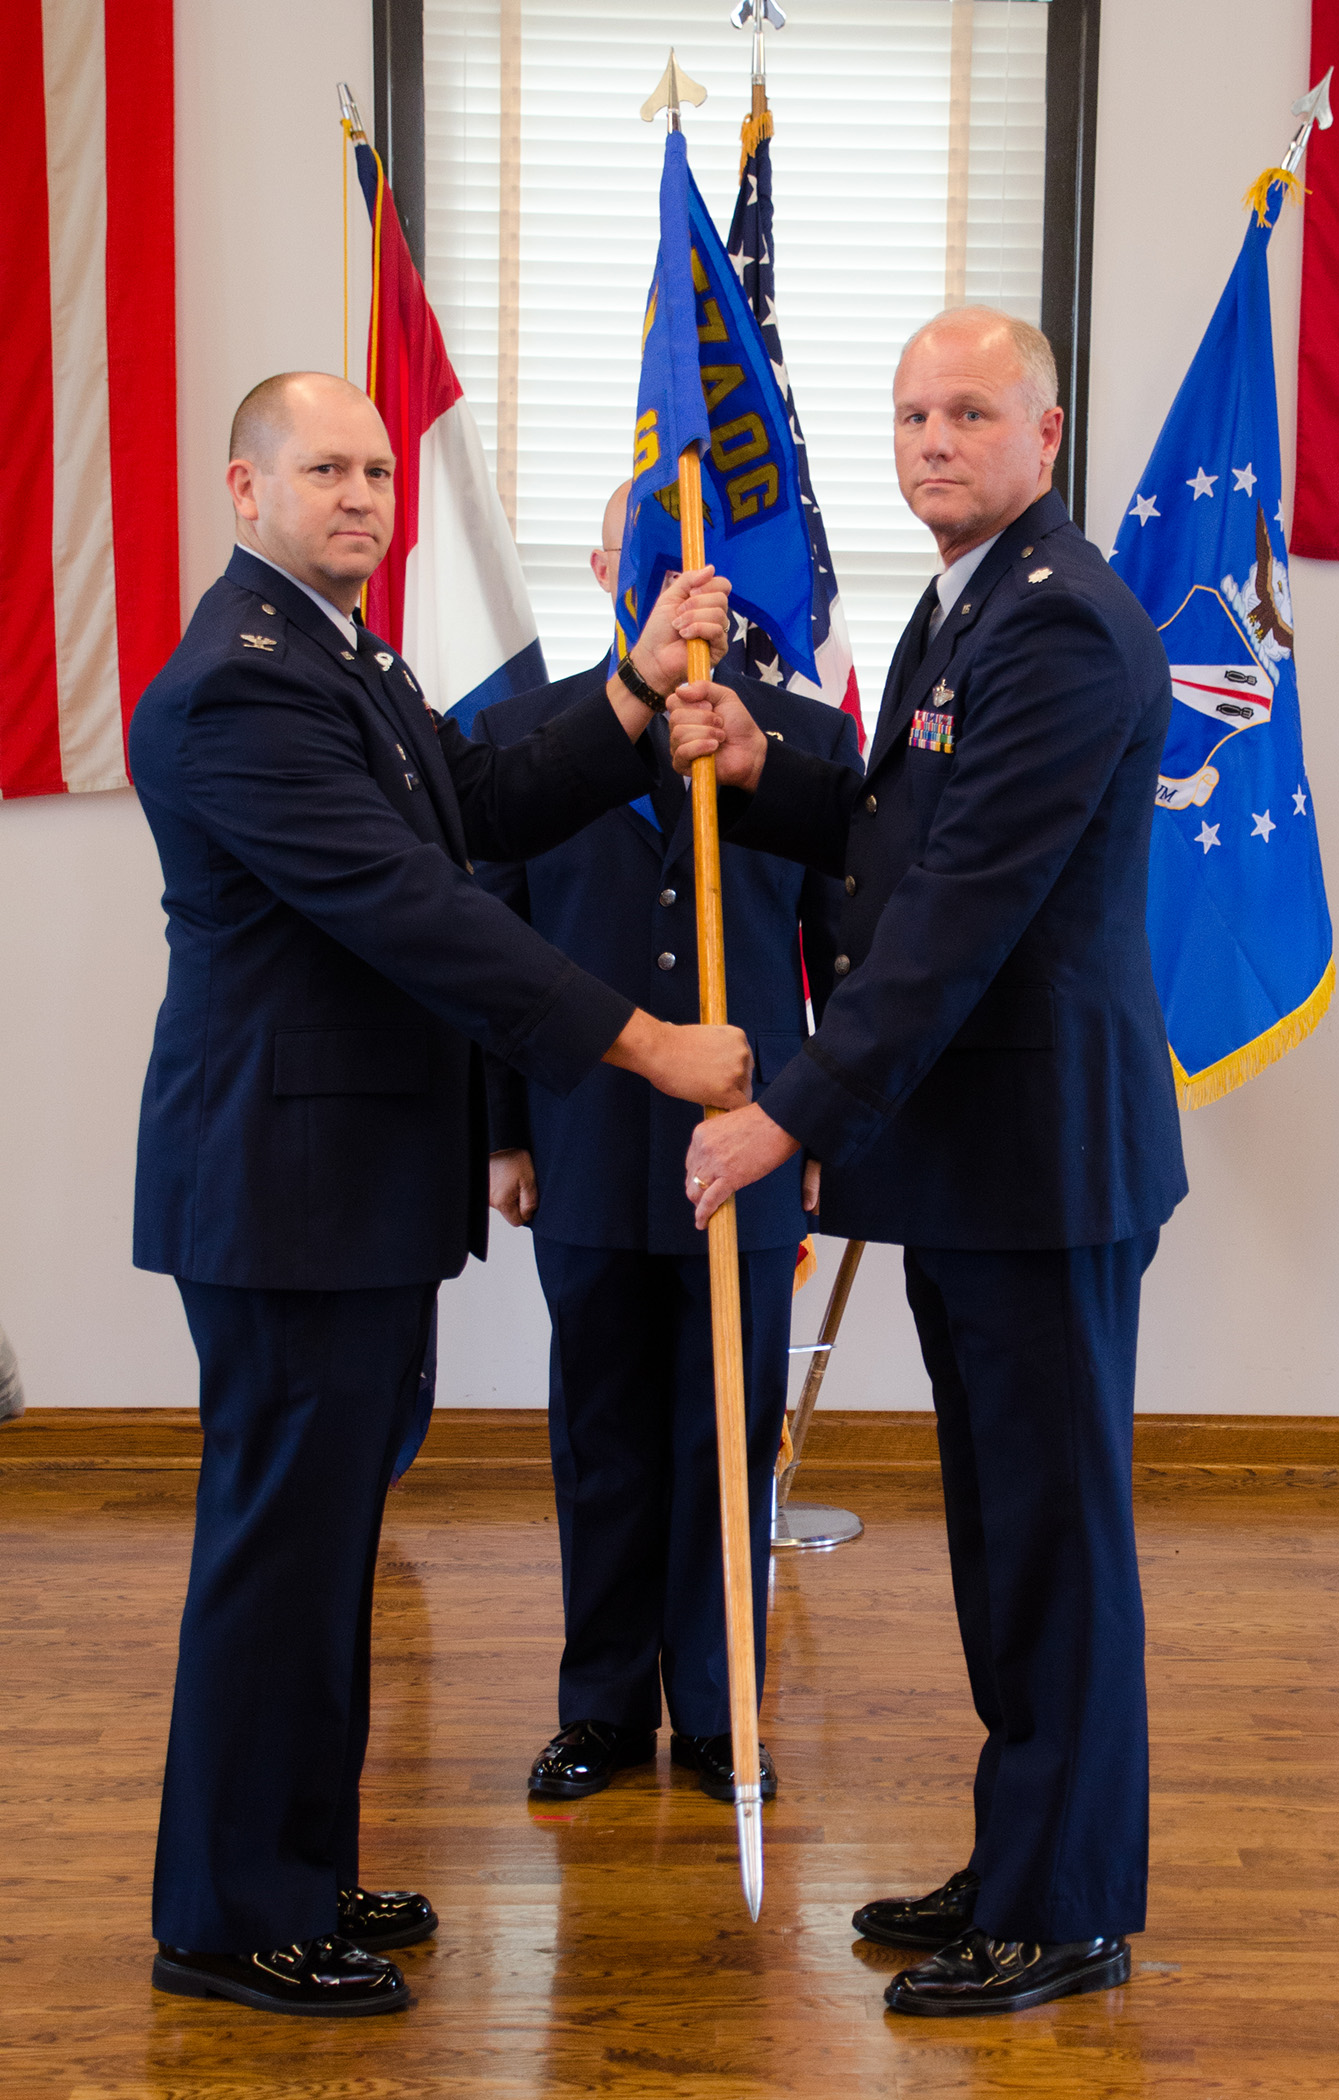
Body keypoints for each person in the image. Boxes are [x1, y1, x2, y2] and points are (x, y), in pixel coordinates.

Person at [129, 373, 750, 2019]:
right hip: (284, 1185)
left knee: (327, 1544)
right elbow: (419, 909)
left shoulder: (350, 658)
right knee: (280, 1550)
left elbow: (470, 808)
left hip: (344, 1187)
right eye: (323, 467)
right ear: (242, 489)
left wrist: (625, 697)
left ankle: (299, 1867)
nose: (361, 491)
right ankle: (230, 1914)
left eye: (378, 467)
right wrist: (645, 1046)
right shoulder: (240, 687)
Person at [668, 308, 1187, 2018]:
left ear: (1048, 436)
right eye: (909, 416)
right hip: (986, 1156)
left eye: (970, 413)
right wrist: (769, 769)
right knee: (1003, 1529)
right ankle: (1017, 1851)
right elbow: (906, 826)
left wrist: (791, 1112)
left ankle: (1065, 1907)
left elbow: (958, 919)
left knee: (1050, 1537)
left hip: (1043, 1156)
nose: (932, 442)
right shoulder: (967, 603)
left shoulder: (1062, 625)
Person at [470, 484, 859, 1807]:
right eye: (641, 554)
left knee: (725, 1435)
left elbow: (837, 958)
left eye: (694, 558)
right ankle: (599, 1708)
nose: (671, 578)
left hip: (746, 1146)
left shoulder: (798, 738)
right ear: (599, 567)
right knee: (602, 1434)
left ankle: (714, 1706)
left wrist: (812, 1119)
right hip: (583, 1140)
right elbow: (492, 952)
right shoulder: (523, 740)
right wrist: (503, 1135)